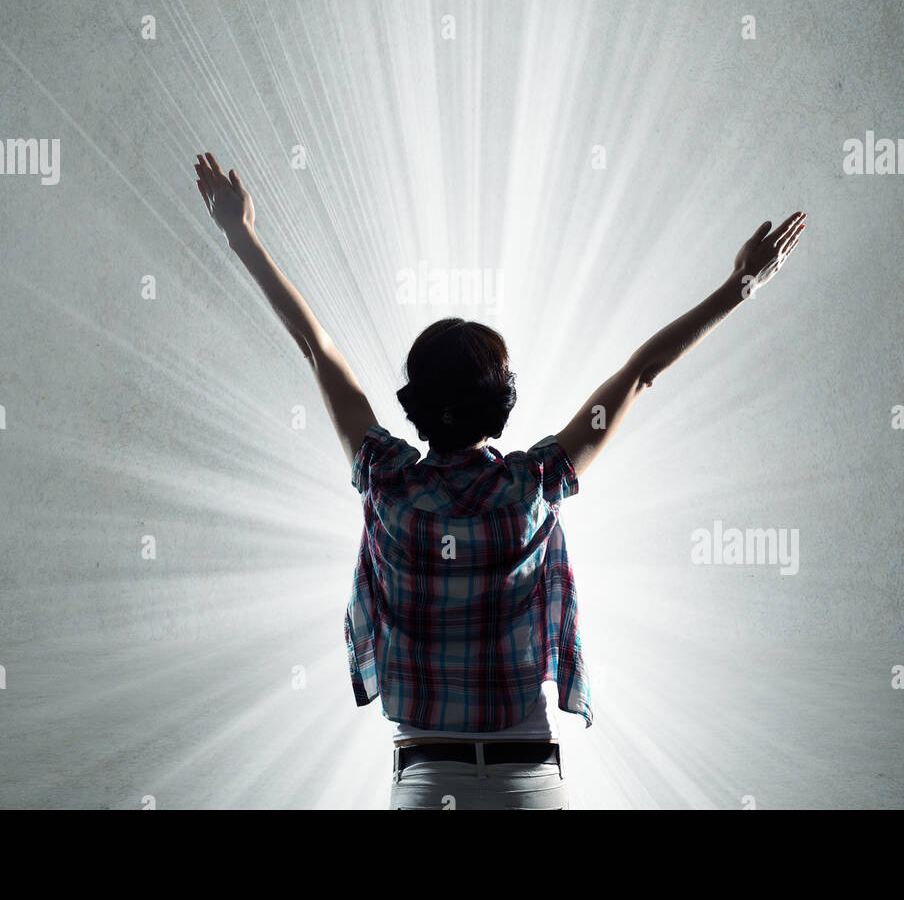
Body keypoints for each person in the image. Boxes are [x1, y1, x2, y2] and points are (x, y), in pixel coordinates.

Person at [195, 152, 806, 809]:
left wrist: (243, 236)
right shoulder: (536, 482)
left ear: (418, 400)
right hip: (528, 784)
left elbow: (318, 347)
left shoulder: (386, 483)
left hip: (427, 782)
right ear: (501, 398)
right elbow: (640, 372)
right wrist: (740, 284)